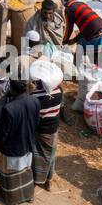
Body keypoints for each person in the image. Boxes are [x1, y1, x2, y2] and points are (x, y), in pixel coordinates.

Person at [0, 79, 41, 204]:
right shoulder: (35, 101)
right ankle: (28, 195)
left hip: (12, 148)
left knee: (9, 174)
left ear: (12, 89)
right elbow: (36, 123)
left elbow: (2, 133)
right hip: (28, 144)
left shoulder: (8, 108)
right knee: (25, 171)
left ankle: (11, 198)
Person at [31, 60, 64, 190]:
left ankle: (37, 179)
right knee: (50, 155)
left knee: (37, 155)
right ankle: (49, 181)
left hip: (39, 129)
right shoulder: (59, 93)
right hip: (53, 130)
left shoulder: (35, 96)